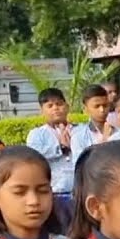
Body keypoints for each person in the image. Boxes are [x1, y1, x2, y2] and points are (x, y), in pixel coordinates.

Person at [25, 88, 77, 227]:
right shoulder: (36, 134)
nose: (56, 109)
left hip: (78, 193)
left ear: (67, 106)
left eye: (59, 104)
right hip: (54, 193)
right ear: (42, 111)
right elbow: (34, 156)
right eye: (50, 106)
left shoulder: (80, 130)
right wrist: (61, 147)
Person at [71, 85, 115, 158]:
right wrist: (104, 143)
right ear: (85, 109)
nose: (102, 110)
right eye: (96, 106)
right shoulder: (79, 137)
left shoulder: (119, 132)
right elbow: (79, 164)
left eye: (105, 105)